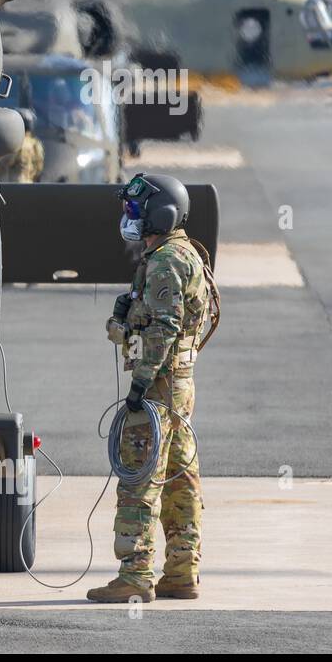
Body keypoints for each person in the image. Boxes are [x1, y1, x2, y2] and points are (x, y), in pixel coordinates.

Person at [88, 173, 216, 603]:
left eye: (136, 210)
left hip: (159, 386)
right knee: (180, 476)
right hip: (180, 382)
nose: (130, 217)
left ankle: (136, 575)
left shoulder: (164, 261)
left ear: (159, 214)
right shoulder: (184, 254)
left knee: (139, 476)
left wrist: (140, 384)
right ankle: (182, 572)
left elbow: (163, 327)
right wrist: (125, 321)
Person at [0, 107, 43, 183]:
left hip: (12, 185)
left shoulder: (16, 142)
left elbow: (6, 162)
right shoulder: (35, 143)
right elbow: (38, 167)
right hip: (28, 183)